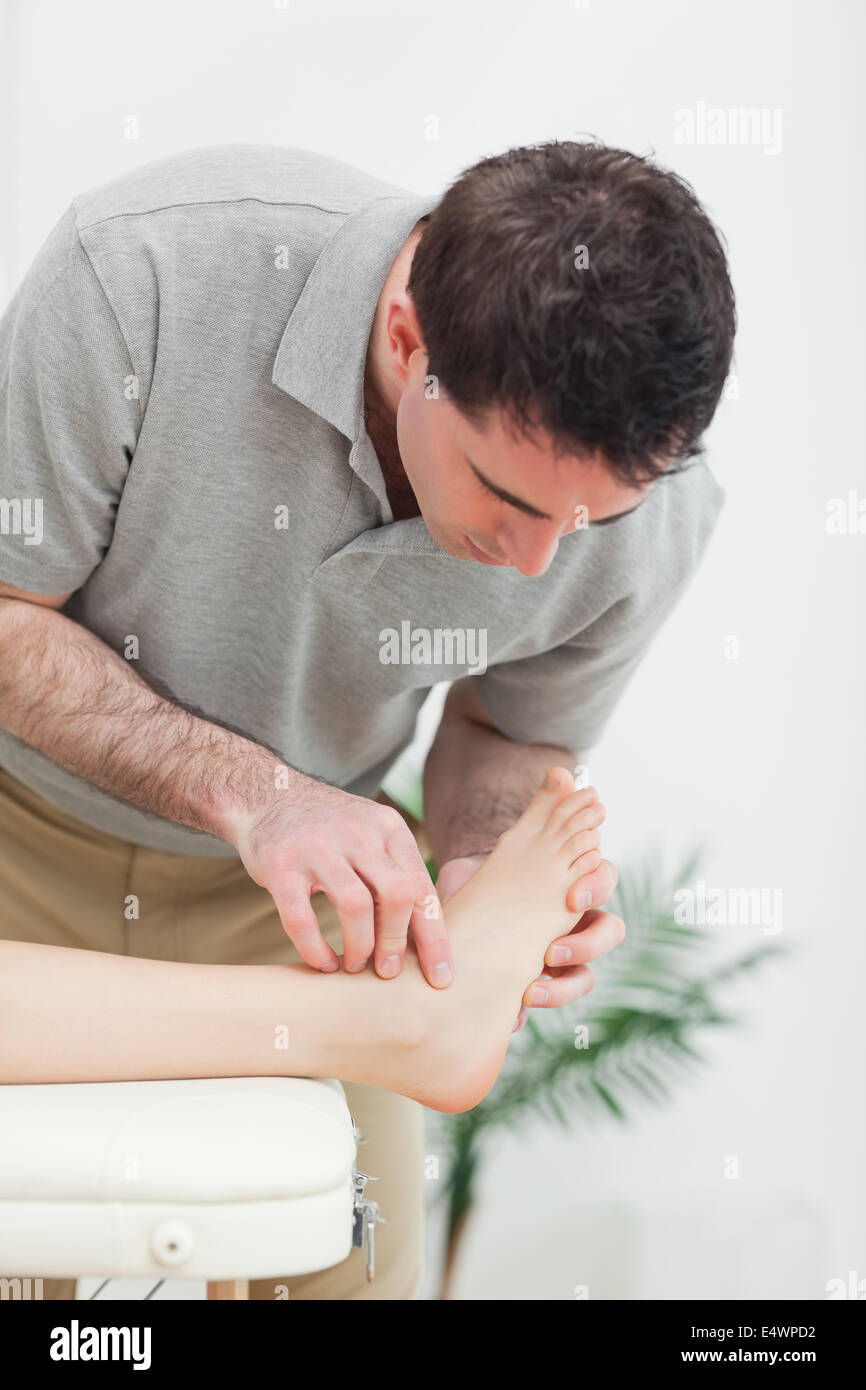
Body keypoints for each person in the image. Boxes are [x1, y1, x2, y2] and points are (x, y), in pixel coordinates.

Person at [0, 140, 736, 1299]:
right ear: (407, 339)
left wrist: (489, 864)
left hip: (314, 908)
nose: (536, 559)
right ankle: (368, 1026)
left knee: (353, 1268)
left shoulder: (649, 516)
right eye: (506, 495)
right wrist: (260, 796)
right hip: (22, 824)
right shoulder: (138, 277)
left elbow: (503, 731)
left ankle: (369, 1022)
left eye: (585, 523)